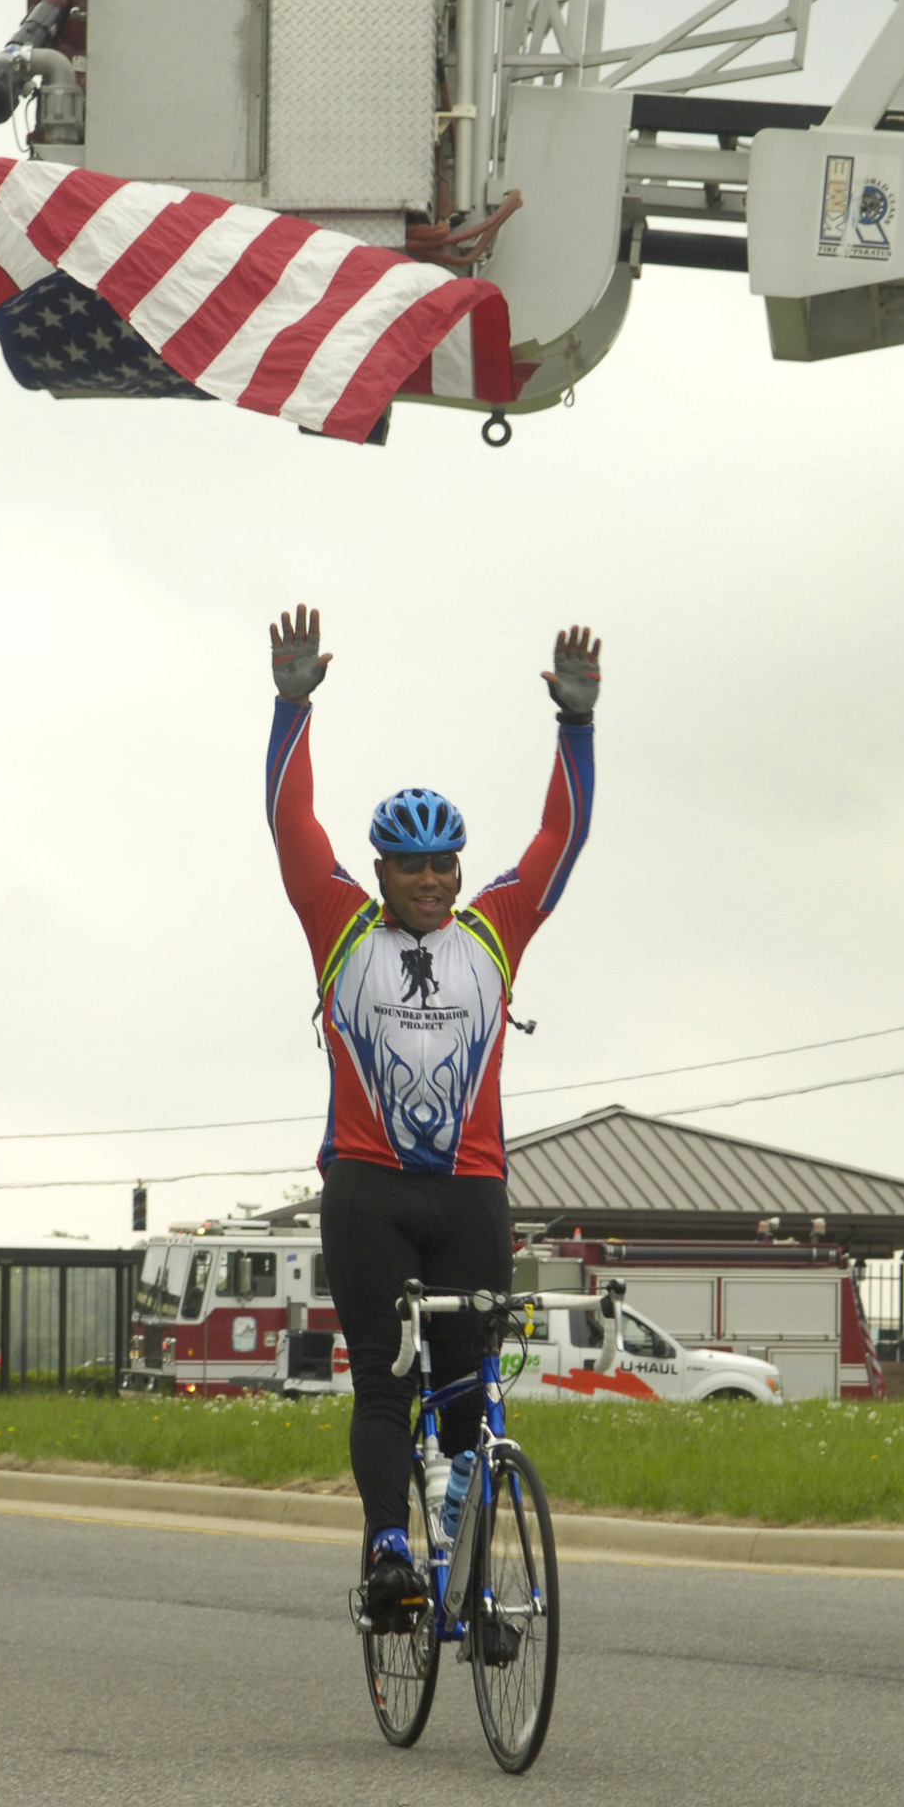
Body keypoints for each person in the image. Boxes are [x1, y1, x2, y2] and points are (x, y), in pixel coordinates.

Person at [266, 605, 599, 1625]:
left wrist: (576, 726)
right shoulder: (339, 925)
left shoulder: (495, 929)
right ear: (381, 872)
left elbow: (561, 836)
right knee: (382, 1384)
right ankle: (389, 1554)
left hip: (470, 1198)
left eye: (443, 863)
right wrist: (293, 706)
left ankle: (463, 1544)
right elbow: (290, 823)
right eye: (412, 866)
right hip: (368, 1194)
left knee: (466, 1395)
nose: (431, 880)